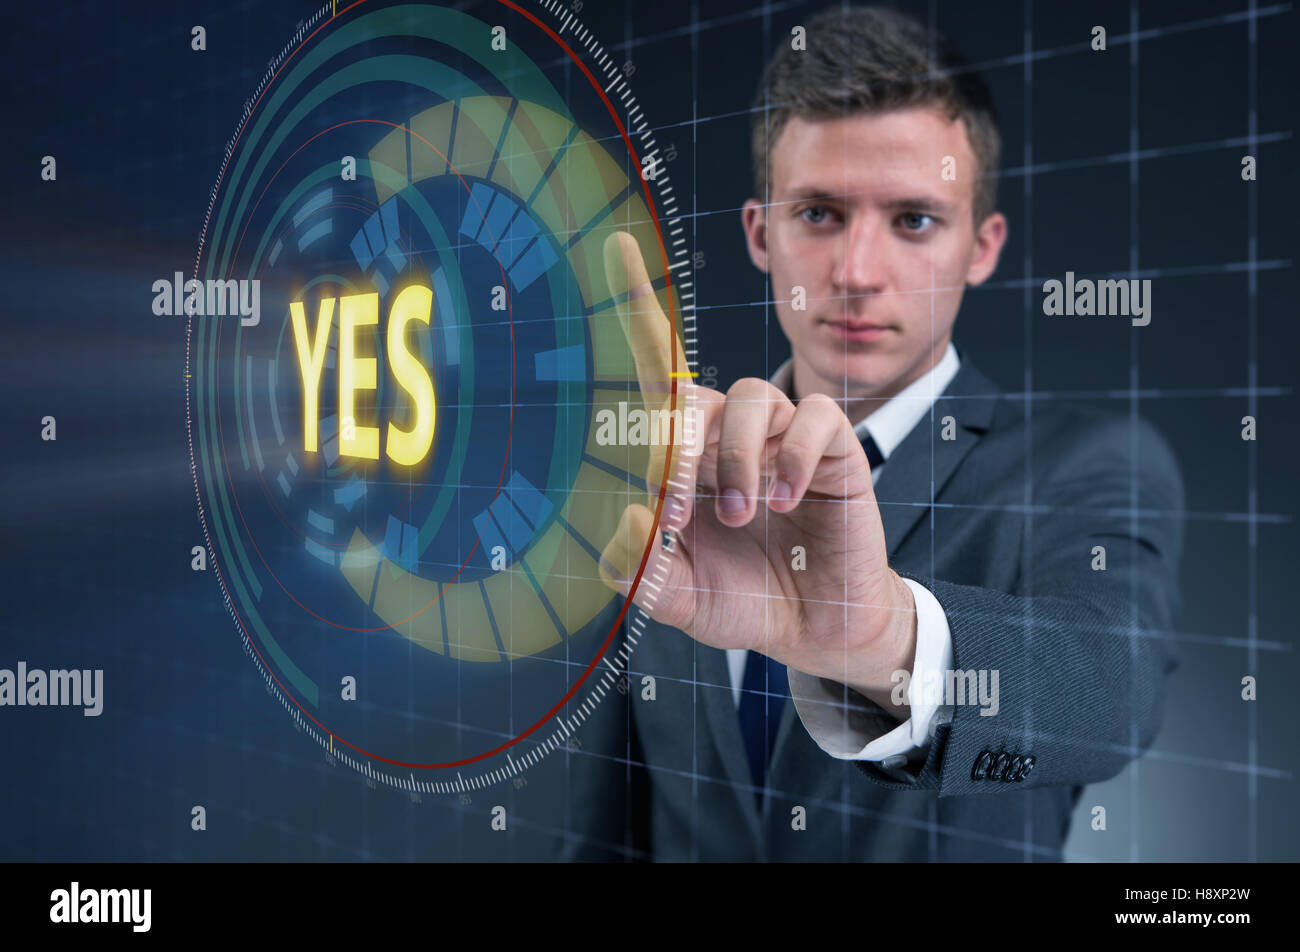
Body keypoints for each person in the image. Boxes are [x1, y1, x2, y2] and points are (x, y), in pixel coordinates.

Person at [559, 4, 1184, 861]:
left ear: (982, 247)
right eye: (818, 213)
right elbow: (607, 824)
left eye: (914, 220)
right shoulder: (670, 476)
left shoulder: (1085, 465)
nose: (856, 273)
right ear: (760, 233)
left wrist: (885, 633)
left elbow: (1114, 688)